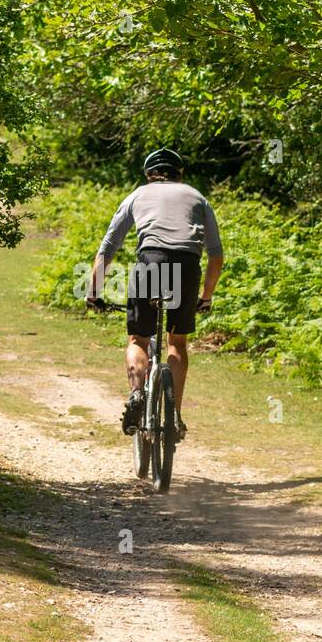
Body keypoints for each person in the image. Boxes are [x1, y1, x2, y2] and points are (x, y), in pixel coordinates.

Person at [85, 148, 223, 440]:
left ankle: (137, 394)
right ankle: (173, 415)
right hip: (186, 266)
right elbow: (216, 255)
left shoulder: (137, 195)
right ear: (180, 174)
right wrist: (206, 296)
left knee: (138, 338)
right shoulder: (198, 197)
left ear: (149, 175)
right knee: (177, 343)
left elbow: (108, 248)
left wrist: (94, 292)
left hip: (151, 261)